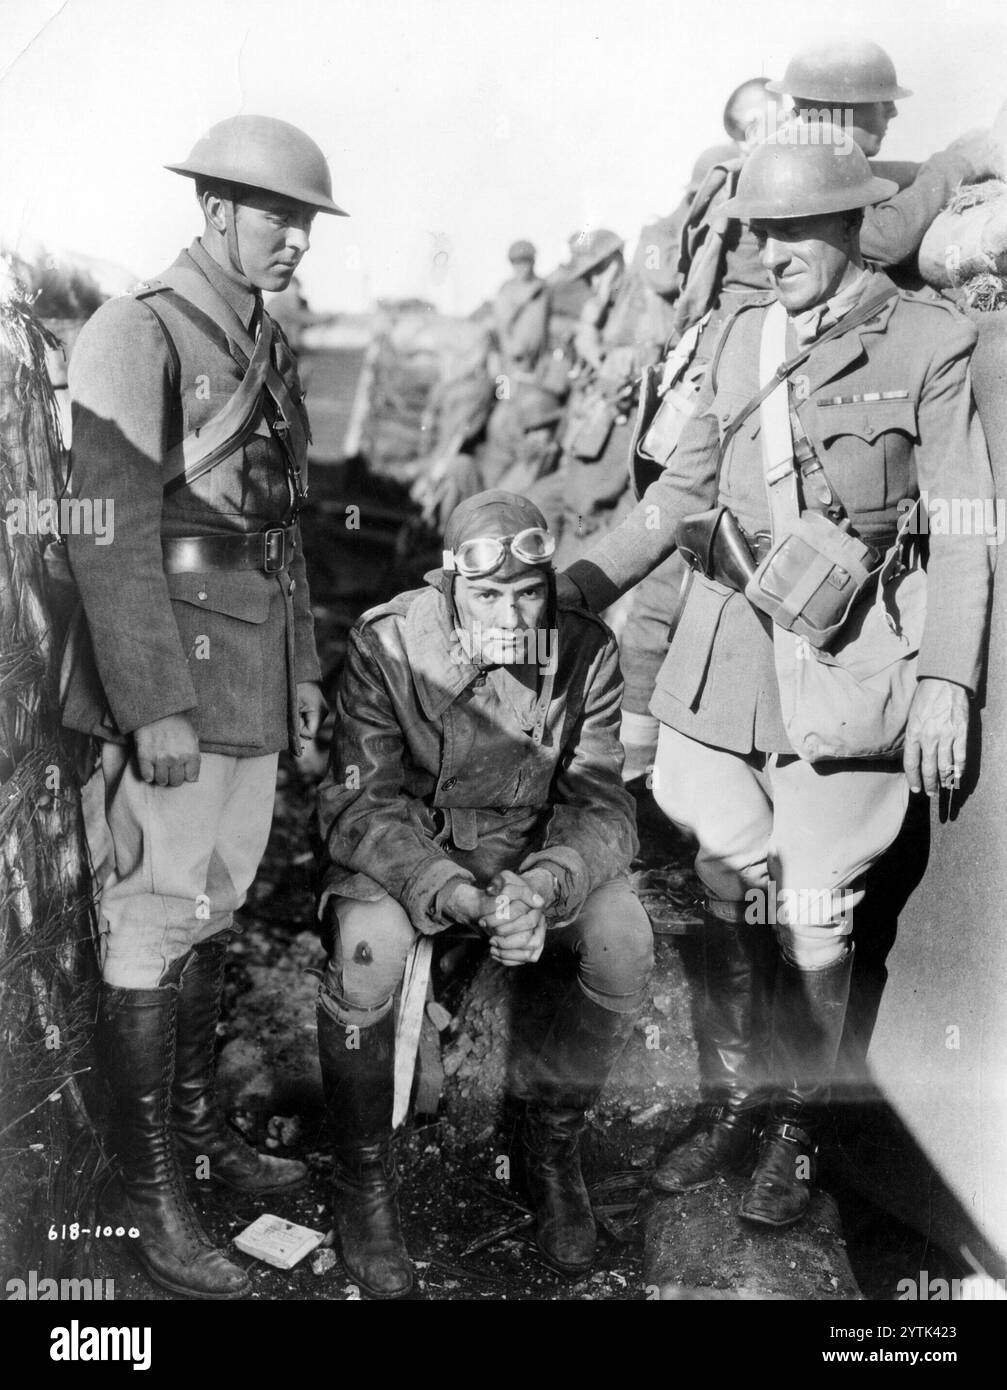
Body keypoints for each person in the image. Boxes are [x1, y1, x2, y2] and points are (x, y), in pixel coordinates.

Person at [557, 130, 994, 1228]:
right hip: (723, 659)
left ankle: (793, 1123)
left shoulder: (928, 342)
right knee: (715, 878)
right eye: (760, 228)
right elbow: (673, 500)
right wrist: (567, 584)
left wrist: (946, 677)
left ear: (850, 229)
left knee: (812, 908)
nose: (772, 246)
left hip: (846, 665)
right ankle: (734, 1095)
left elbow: (960, 528)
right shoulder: (741, 333)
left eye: (795, 227)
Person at [64, 115, 342, 1298]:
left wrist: (310, 669)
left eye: (303, 221)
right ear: (216, 210)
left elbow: (279, 536)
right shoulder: (139, 331)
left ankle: (192, 1145)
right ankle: (151, 1197)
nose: (293, 240)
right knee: (148, 921)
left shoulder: (259, 340)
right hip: (176, 681)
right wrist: (150, 704)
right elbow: (110, 527)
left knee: (213, 908)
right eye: (276, 215)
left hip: (253, 681)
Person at [315, 490, 653, 1296]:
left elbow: (602, 805)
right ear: (450, 587)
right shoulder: (390, 643)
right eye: (487, 595)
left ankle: (551, 1150)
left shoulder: (585, 651)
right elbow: (360, 804)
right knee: (367, 954)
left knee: (624, 942)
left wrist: (544, 885)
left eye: (527, 592)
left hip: (533, 860)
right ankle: (364, 1184)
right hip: (412, 856)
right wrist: (452, 893)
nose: (510, 613)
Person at [772, 37, 999, 276]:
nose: (893, 111)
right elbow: (888, 241)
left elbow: (886, 175)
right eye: (883, 101)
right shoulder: (798, 171)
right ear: (839, 112)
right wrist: (959, 164)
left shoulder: (808, 155)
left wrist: (949, 158)